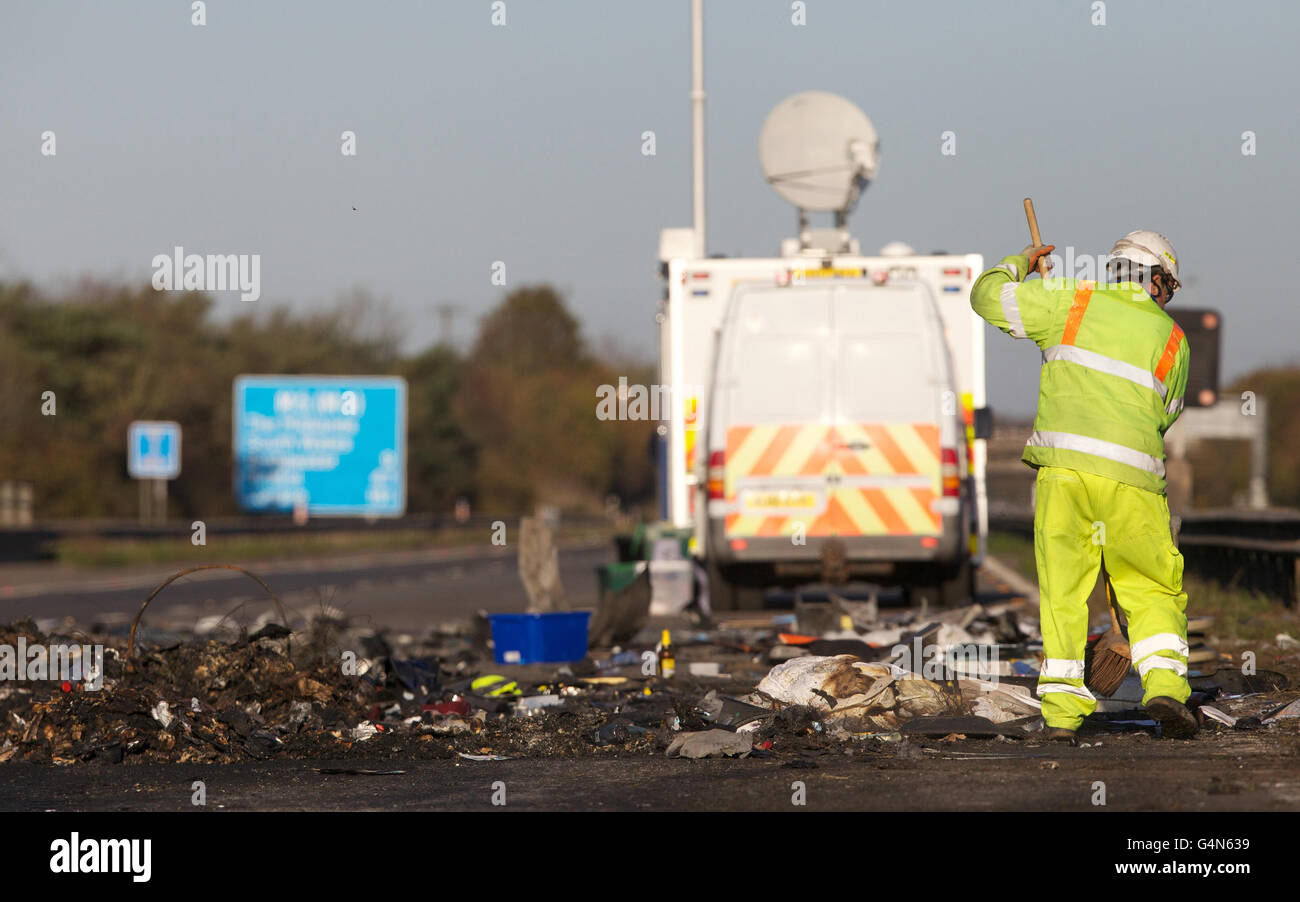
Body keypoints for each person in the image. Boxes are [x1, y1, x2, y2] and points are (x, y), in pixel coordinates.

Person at [970, 230, 1197, 741]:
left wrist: (1020, 263)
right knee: (1149, 586)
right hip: (1133, 480)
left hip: (1063, 476)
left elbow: (986, 294)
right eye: (1169, 287)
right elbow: (1166, 416)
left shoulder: (1068, 300)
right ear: (1155, 279)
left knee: (1063, 592)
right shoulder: (1173, 339)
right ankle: (1165, 687)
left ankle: (1062, 716)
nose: (1167, 298)